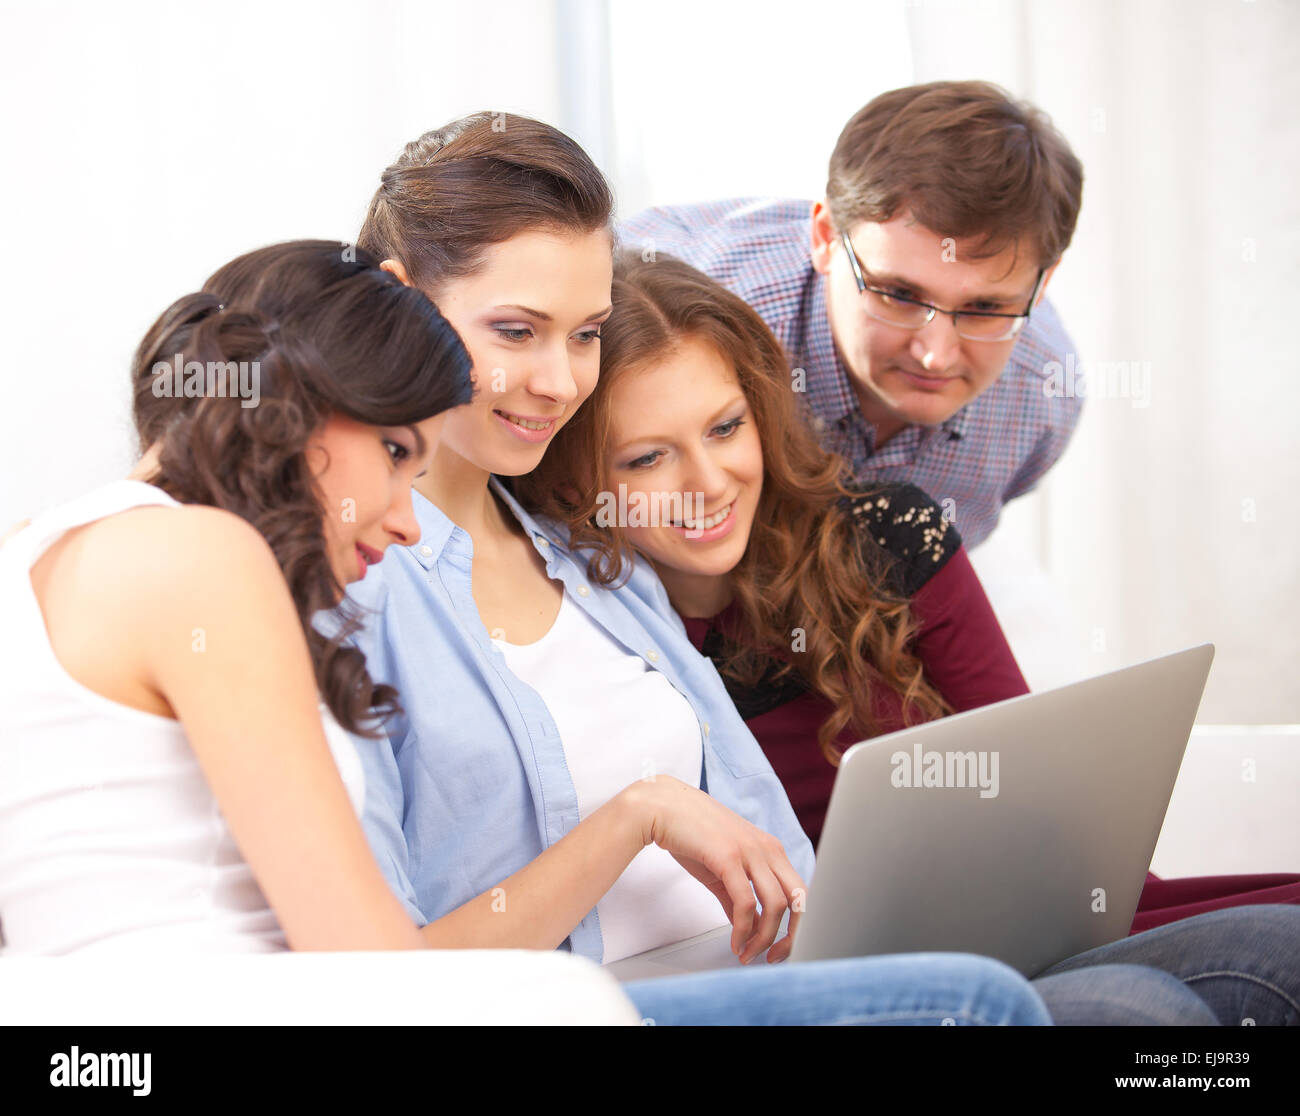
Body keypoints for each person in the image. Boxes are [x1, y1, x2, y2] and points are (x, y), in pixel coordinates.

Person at [0, 236, 1052, 1029]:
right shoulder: (208, 561)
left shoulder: (45, 547)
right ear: (313, 418)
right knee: (974, 1004)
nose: (411, 518)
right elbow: (374, 980)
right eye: (400, 453)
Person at [344, 111, 1251, 1025]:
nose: (559, 380)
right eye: (516, 331)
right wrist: (638, 816)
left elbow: (785, 842)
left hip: (778, 970)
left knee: (1259, 957)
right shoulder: (357, 585)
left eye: (584, 334)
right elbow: (380, 975)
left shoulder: (596, 569)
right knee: (1133, 1015)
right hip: (616, 1001)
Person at [514, 247, 1300, 1026]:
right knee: (1142, 1010)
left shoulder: (887, 535)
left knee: (1282, 944)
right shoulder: (597, 637)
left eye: (725, 428)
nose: (708, 483)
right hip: (843, 978)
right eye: (648, 457)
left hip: (1013, 916)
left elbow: (1039, 778)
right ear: (579, 479)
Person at [617, 80, 1084, 548]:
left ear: (1043, 283)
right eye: (899, 294)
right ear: (824, 238)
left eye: (985, 308)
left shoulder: (1044, 395)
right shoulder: (674, 319)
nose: (935, 357)